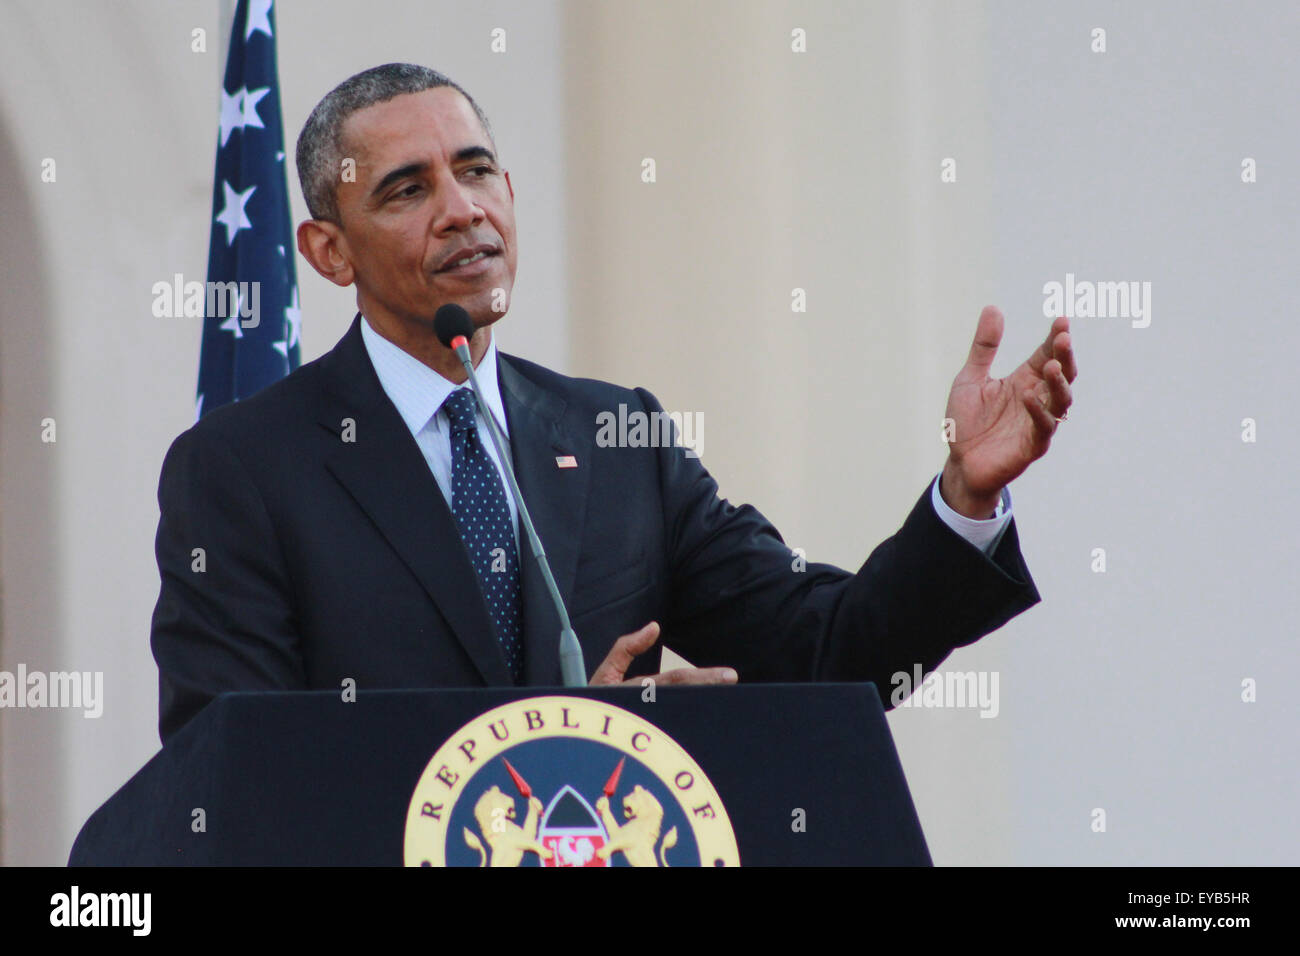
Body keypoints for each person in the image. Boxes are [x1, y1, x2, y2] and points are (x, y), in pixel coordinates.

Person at [150, 63, 1075, 744]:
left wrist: (965, 500)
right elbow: (236, 770)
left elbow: (831, 655)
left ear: (510, 193)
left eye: (476, 172)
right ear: (328, 253)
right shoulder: (244, 468)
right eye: (406, 189)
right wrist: (561, 740)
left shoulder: (616, 437)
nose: (461, 209)